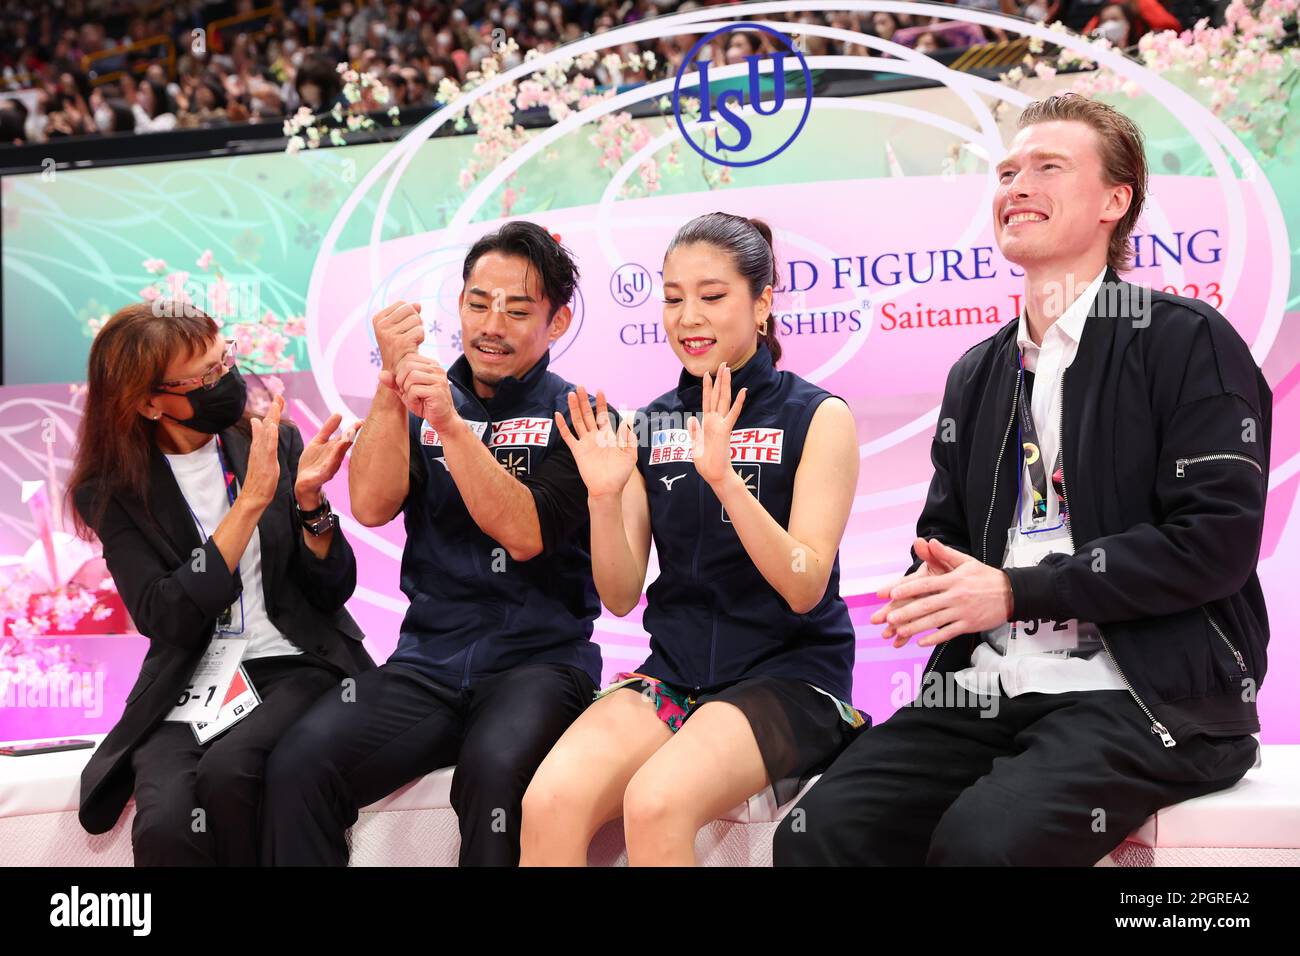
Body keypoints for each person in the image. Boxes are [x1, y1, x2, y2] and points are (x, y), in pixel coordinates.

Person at [774, 93, 1270, 866]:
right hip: (991, 683)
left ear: (1116, 200)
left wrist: (1014, 591)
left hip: (1140, 694)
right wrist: (929, 580)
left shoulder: (1186, 341)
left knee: (983, 847)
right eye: (1007, 171)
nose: (1017, 186)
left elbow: (1215, 544)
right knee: (822, 831)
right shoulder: (978, 372)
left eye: (1048, 167)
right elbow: (948, 535)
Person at [520, 212, 866, 867]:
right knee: (548, 802)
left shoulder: (819, 416)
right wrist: (601, 496)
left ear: (762, 303)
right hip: (676, 673)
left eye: (711, 296)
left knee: (655, 800)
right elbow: (620, 596)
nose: (687, 317)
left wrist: (725, 478)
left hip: (788, 673)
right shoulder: (650, 423)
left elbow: (803, 585)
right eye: (673, 298)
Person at [262, 221, 604, 867]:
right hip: (428, 660)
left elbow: (525, 535)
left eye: (517, 309)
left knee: (494, 772)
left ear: (556, 323)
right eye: (477, 303)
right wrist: (393, 387)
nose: (490, 324)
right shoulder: (419, 398)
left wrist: (451, 425)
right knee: (299, 764)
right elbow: (371, 504)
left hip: (538, 662)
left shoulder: (581, 416)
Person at [68, 302, 372, 866]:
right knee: (165, 824)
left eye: (224, 361)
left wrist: (310, 505)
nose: (224, 380)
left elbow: (333, 591)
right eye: (203, 377)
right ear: (148, 401)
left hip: (293, 662)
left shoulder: (272, 441)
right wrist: (250, 503)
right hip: (193, 681)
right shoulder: (113, 491)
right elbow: (164, 615)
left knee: (233, 775)